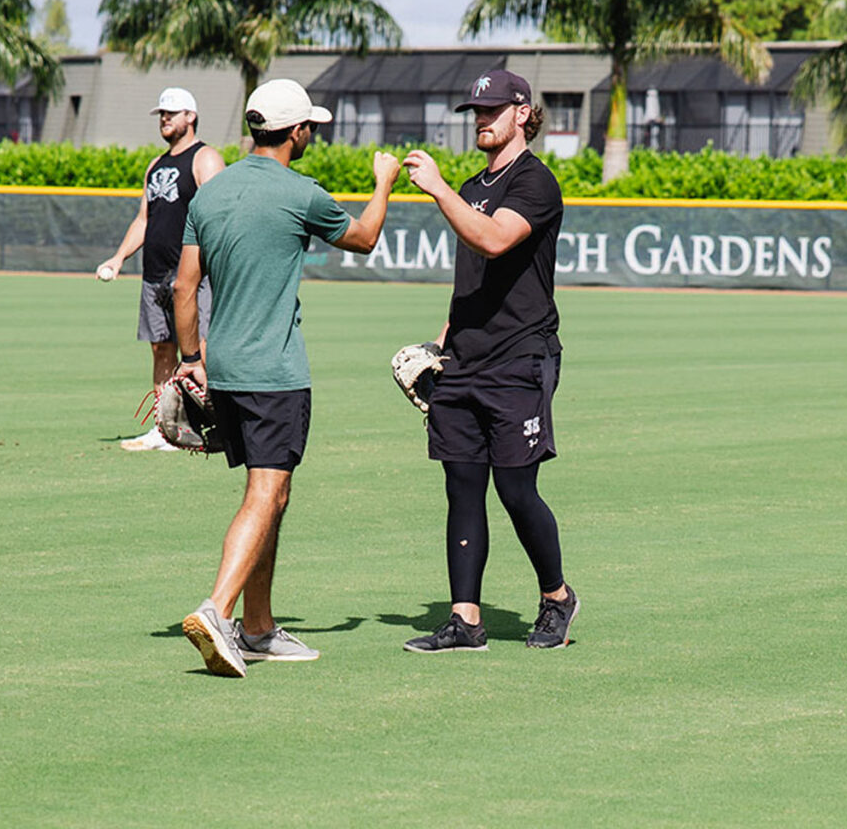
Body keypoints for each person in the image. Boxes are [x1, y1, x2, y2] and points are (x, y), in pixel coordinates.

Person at [173, 78, 400, 676]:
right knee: (266, 493)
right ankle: (217, 610)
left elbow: (183, 287)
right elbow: (366, 238)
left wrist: (191, 359)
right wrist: (384, 184)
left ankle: (258, 627)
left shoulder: (210, 195)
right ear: (296, 132)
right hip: (274, 372)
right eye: (311, 128)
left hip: (223, 370)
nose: (313, 136)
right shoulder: (302, 193)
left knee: (273, 493)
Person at [399, 69, 578, 653]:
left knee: (516, 488)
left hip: (521, 356)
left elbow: (497, 240)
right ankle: (465, 619)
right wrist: (443, 341)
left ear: (523, 113)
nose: (480, 117)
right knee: (462, 485)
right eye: (475, 109)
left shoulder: (536, 183)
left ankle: (556, 597)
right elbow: (474, 277)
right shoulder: (476, 184)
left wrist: (439, 189)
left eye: (493, 109)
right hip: (466, 358)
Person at [96, 87, 224, 451]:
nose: (165, 118)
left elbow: (218, 216)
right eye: (162, 114)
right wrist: (118, 258)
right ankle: (165, 427)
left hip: (193, 275)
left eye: (172, 112)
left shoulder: (206, 159)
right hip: (155, 274)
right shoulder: (156, 165)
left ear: (191, 117)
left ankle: (214, 424)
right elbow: (143, 220)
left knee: (200, 350)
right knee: (161, 350)